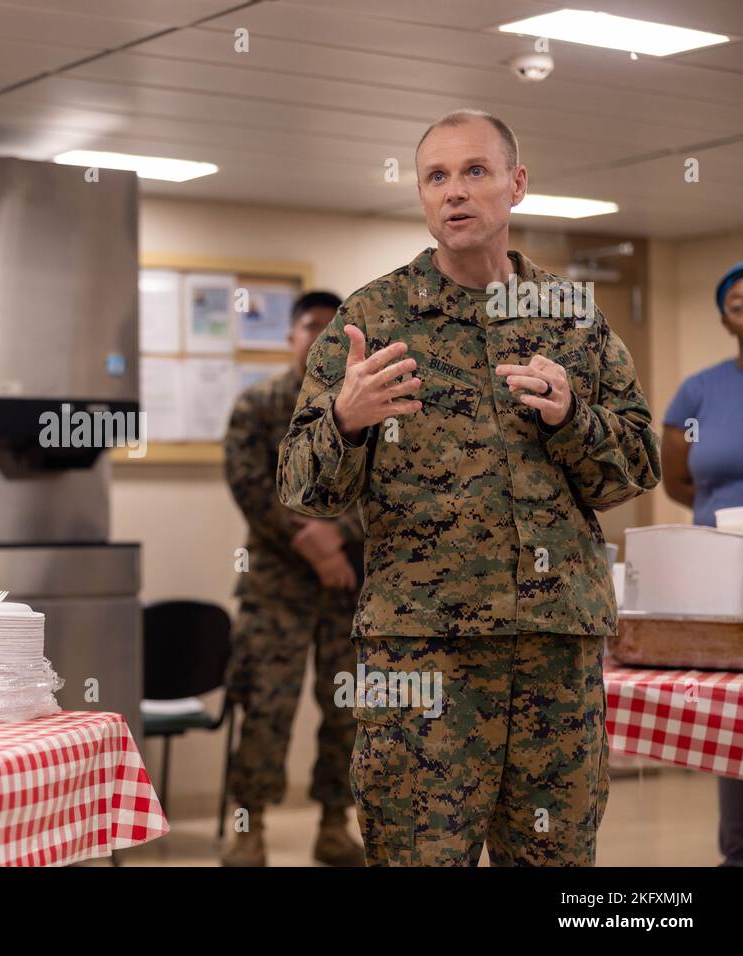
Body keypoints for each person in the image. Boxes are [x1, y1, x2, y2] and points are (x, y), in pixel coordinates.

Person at [277, 108, 661, 866]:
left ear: (516, 185)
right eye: (437, 176)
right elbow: (300, 487)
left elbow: (638, 469)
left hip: (556, 651)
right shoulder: (372, 319)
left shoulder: (572, 321)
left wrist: (572, 417)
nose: (455, 192)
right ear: (422, 196)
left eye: (475, 171)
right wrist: (346, 423)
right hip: (424, 661)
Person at [220, 290, 367, 867]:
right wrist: (310, 540)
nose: (317, 337)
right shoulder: (258, 405)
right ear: (290, 336)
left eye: (331, 329)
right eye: (309, 326)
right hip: (275, 586)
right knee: (265, 706)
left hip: (346, 588)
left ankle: (334, 825)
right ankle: (248, 828)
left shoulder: (364, 406)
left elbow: (385, 487)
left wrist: (341, 541)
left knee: (347, 710)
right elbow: (248, 483)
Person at [661, 261, 743, 867]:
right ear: (723, 317)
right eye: (737, 301)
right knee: (738, 716)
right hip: (724, 578)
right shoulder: (699, 391)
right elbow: (679, 479)